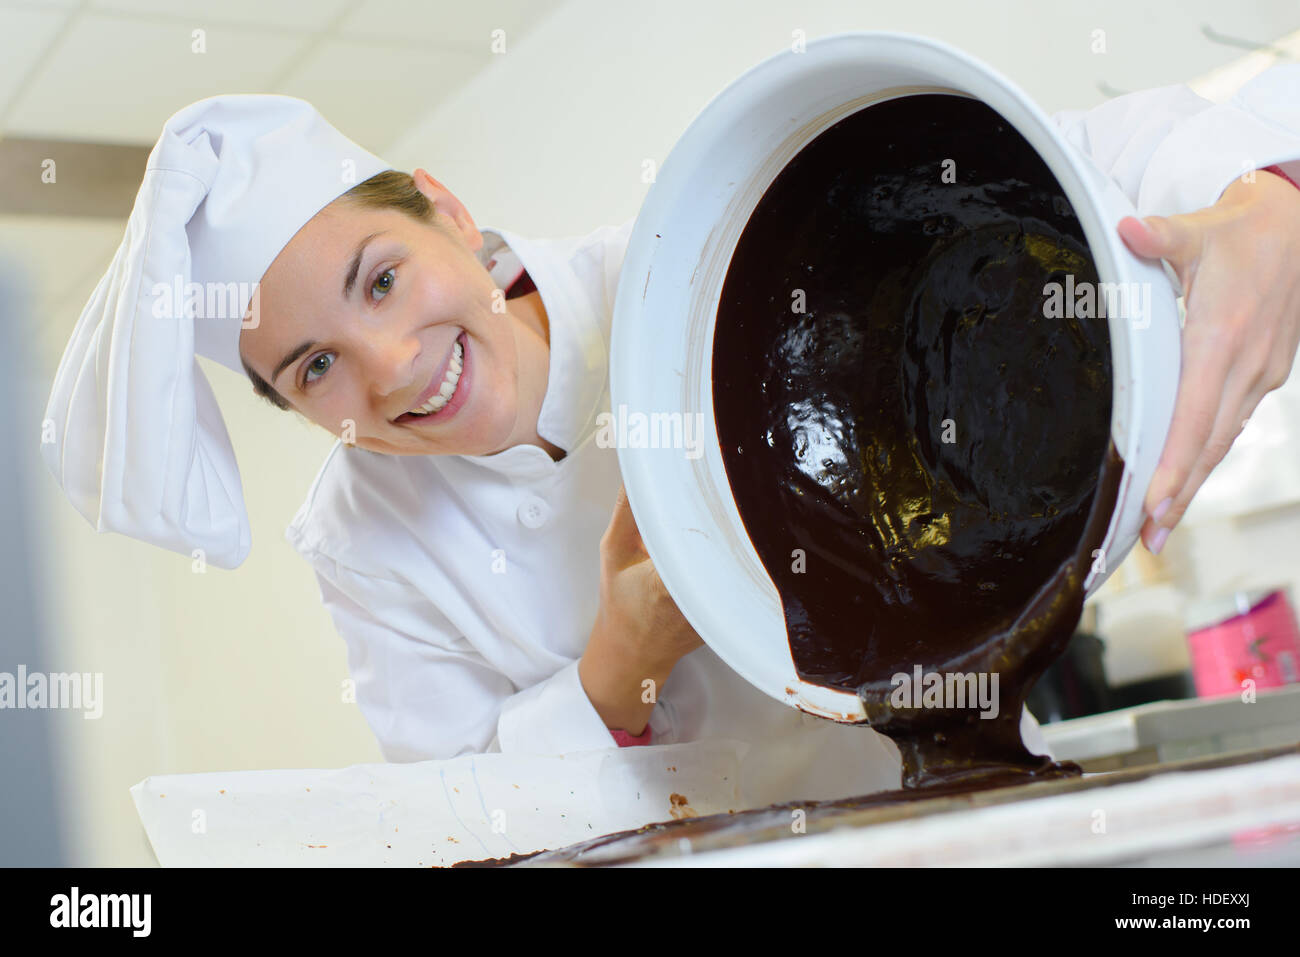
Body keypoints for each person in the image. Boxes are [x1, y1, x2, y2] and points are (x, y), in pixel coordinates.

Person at [42, 63, 1300, 809]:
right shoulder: (364, 547)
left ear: (443, 209)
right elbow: (464, 828)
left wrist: (1267, 202)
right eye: (312, 365)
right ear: (290, 407)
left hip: (965, 808)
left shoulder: (676, 270)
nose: (391, 367)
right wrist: (618, 667)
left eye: (379, 280)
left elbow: (1128, 144)